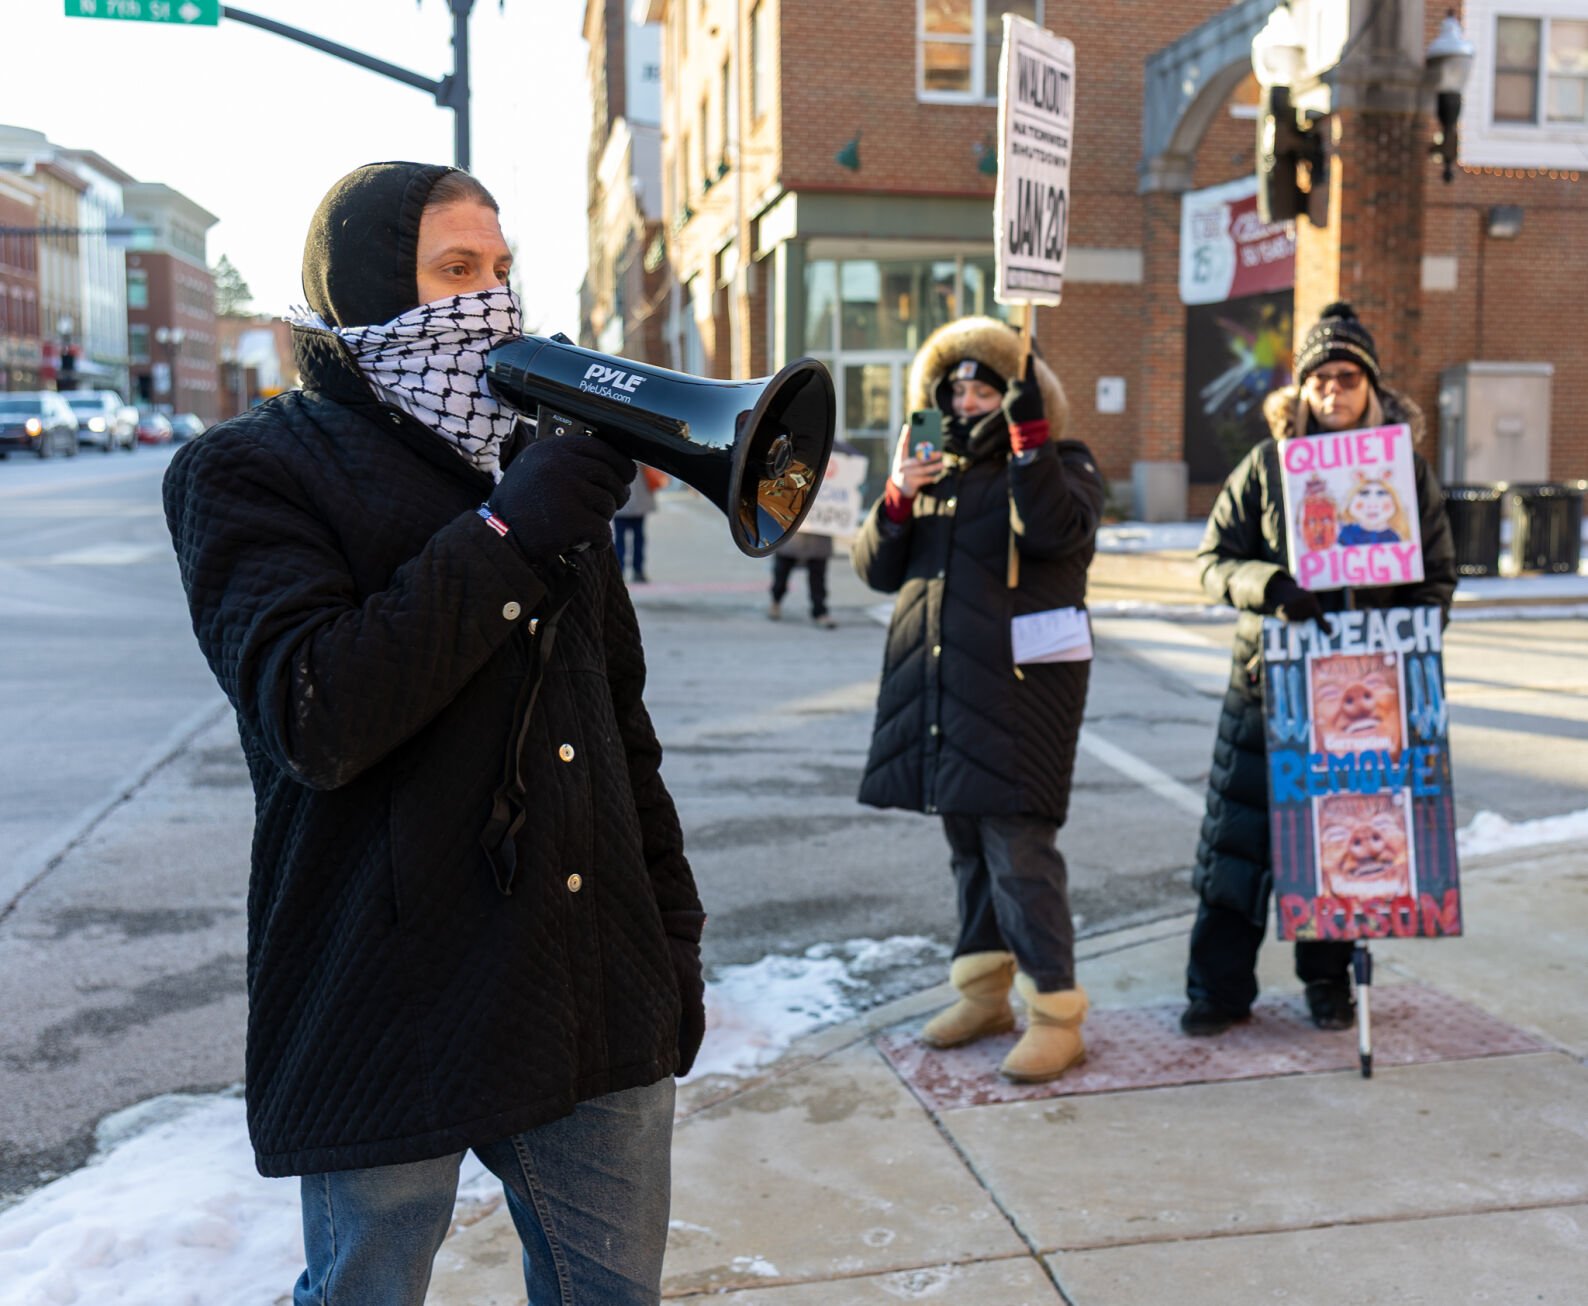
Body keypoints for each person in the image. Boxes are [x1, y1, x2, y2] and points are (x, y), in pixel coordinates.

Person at [163, 162, 706, 1306]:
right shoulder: (250, 468)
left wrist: (670, 938)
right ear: (366, 297)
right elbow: (315, 708)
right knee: (366, 1289)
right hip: (387, 986)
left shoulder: (528, 459)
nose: (491, 301)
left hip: (589, 973)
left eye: (502, 271)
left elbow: (619, 727)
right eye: (455, 272)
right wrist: (508, 535)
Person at [1182, 300, 1455, 1037]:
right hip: (1268, 686)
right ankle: (1218, 988)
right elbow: (1211, 562)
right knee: (1239, 846)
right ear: (1300, 390)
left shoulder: (1406, 473)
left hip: (1362, 694)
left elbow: (1436, 577)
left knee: (1340, 840)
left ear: (1370, 385)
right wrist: (1270, 588)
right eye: (1319, 380)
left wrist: (1408, 639)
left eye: (1346, 377)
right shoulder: (1268, 466)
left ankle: (1328, 984)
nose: (1332, 392)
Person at [853, 316, 1105, 1083]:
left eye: (983, 387)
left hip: (1020, 691)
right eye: (955, 387)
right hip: (942, 688)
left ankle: (1056, 1012)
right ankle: (984, 991)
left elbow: (1058, 534)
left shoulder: (1064, 462)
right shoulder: (935, 472)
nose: (965, 399)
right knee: (968, 849)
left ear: (1016, 397)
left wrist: (1031, 448)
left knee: (1020, 853)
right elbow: (874, 570)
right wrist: (898, 494)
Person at [768, 529, 837, 627]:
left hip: (818, 538)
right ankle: (776, 602)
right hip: (792, 537)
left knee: (818, 578)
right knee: (781, 574)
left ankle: (820, 611)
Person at [614, 464, 662, 583]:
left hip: (629, 505)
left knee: (633, 539)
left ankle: (632, 570)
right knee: (628, 539)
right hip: (625, 505)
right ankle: (627, 570)